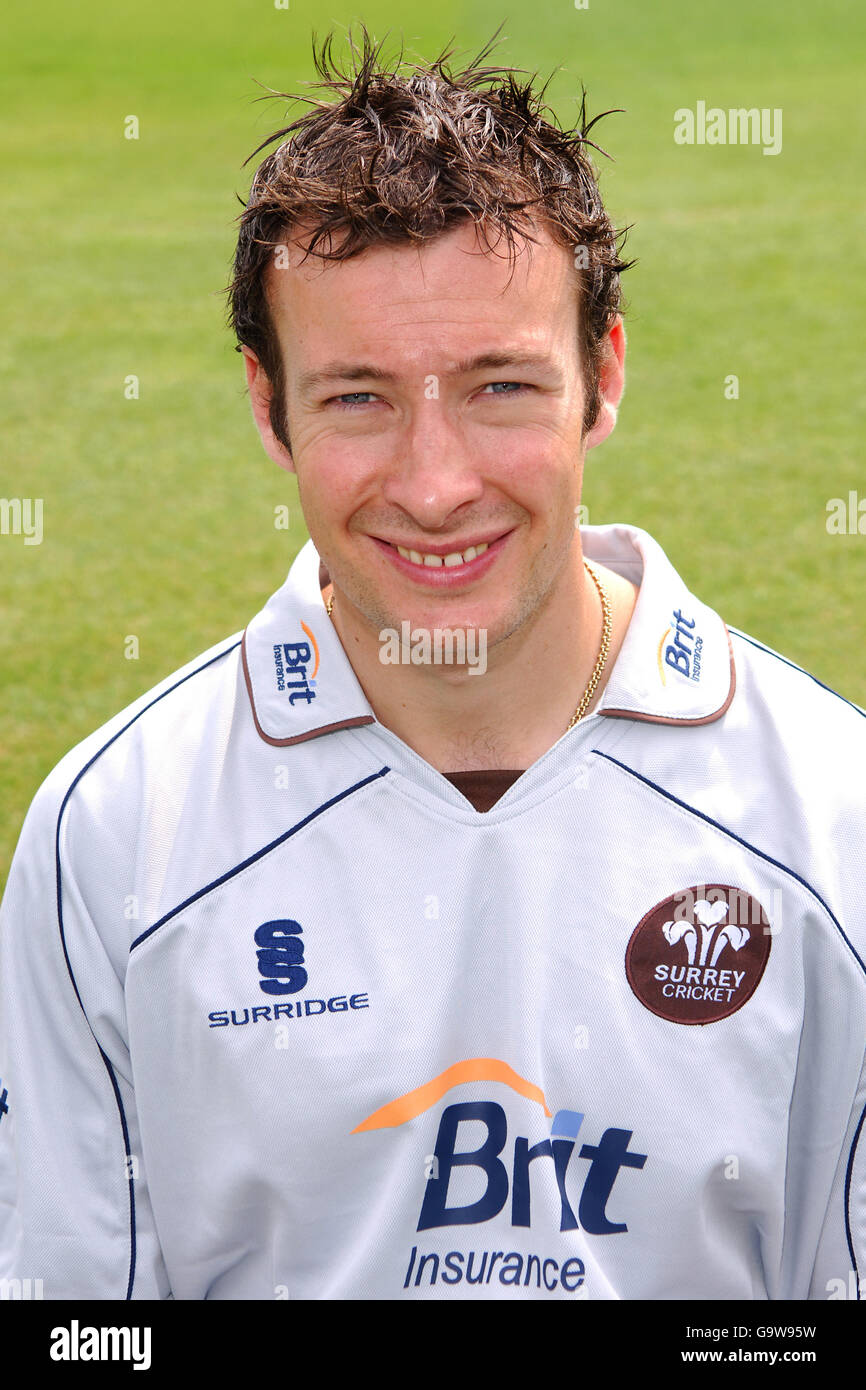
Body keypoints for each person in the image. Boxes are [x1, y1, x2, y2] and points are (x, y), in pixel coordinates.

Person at [1, 29, 864, 1303]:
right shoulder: (115, 830)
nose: (435, 484)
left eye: (500, 387)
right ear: (265, 403)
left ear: (602, 376)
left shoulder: (833, 808)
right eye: (356, 398)